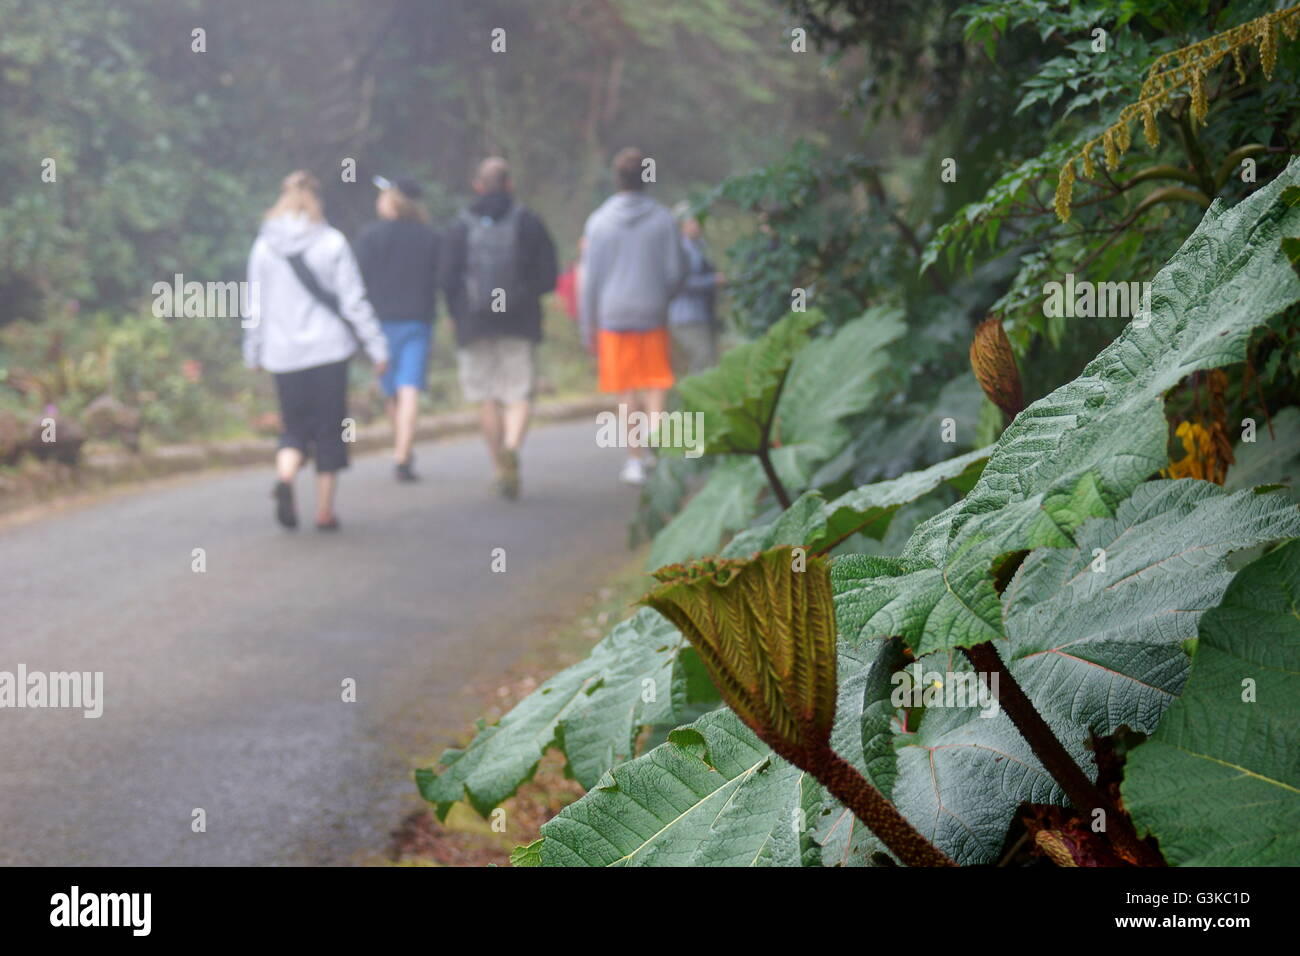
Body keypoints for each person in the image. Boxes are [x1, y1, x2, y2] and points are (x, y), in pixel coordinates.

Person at [242, 170, 388, 531]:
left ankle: (286, 478)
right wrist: (377, 347)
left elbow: (254, 305)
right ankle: (324, 510)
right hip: (329, 351)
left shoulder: (263, 247)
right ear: (318, 200)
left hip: (283, 353)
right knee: (329, 429)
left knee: (293, 428)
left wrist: (253, 352)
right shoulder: (332, 242)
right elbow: (353, 302)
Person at [440, 157, 558, 499]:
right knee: (518, 392)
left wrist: (454, 313)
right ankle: (512, 448)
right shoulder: (529, 221)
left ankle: (497, 466)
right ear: (510, 184)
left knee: (486, 396)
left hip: (473, 321)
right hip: (518, 319)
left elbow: (447, 278)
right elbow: (548, 275)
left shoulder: (460, 225)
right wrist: (524, 296)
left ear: (477, 186)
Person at [579, 147, 686, 485]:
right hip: (652, 312)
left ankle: (635, 460)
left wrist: (588, 327)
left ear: (616, 179)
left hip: (613, 316)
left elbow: (589, 281)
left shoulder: (597, 222)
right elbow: (676, 271)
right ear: (646, 179)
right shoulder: (664, 219)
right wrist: (661, 297)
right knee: (656, 381)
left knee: (626, 390)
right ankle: (656, 435)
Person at [355, 175, 440, 482]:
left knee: (392, 389)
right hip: (417, 321)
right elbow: (439, 280)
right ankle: (403, 452)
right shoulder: (429, 237)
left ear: (393, 201)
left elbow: (356, 282)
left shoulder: (370, 237)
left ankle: (402, 449)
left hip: (380, 325)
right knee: (410, 386)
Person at [668, 202, 723, 376]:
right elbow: (679, 282)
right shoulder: (681, 250)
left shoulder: (698, 246)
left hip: (700, 314)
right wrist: (712, 280)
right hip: (686, 316)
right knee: (703, 359)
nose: (697, 225)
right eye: (692, 221)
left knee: (707, 360)